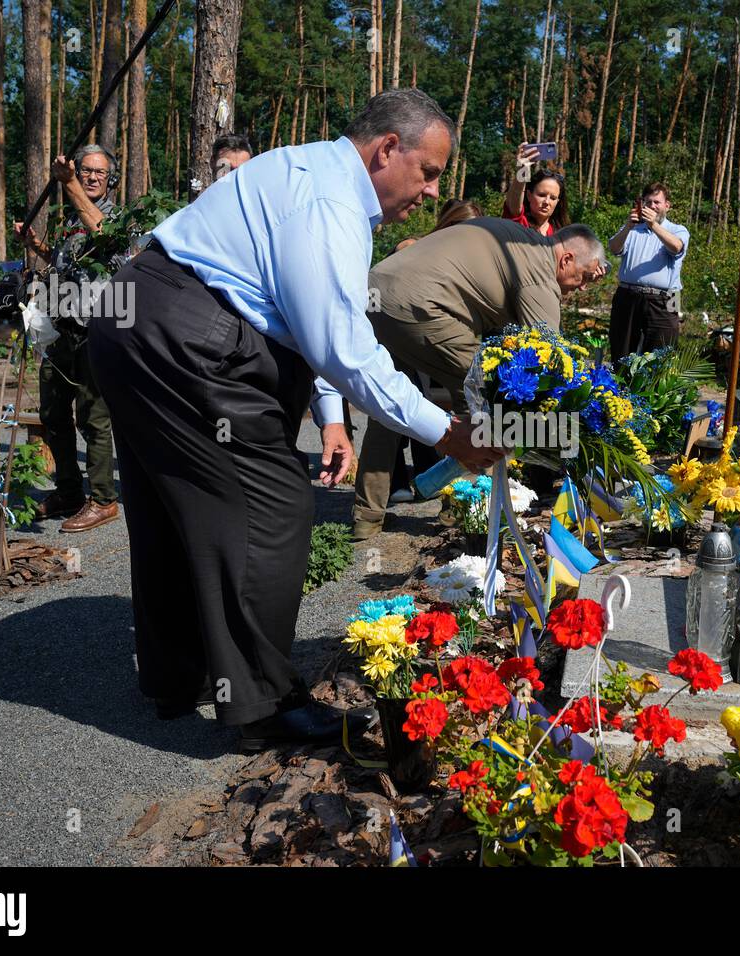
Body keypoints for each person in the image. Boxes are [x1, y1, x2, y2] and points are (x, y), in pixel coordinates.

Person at [86, 89, 502, 751]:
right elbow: (339, 343)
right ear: (387, 149)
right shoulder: (329, 201)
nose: (428, 192)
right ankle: (261, 706)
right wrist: (444, 431)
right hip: (191, 338)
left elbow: (303, 321)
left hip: (139, 319)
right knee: (273, 509)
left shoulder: (309, 172)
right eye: (428, 172)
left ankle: (176, 681)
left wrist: (331, 421)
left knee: (174, 507)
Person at [352, 219, 608, 541]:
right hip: (423, 307)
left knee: (390, 400)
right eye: (583, 278)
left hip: (377, 294)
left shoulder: (519, 243)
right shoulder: (540, 270)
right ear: (567, 259)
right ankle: (468, 514)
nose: (582, 287)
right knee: (485, 394)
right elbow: (550, 358)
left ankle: (367, 517)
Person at [14, 144, 123, 533]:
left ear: (111, 180)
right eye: (85, 171)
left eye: (98, 172)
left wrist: (70, 181)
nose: (91, 177)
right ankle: (69, 490)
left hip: (96, 333)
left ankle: (103, 499)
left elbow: (105, 237)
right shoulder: (69, 223)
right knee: (53, 416)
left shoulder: (117, 219)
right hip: (61, 330)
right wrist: (35, 245)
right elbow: (64, 264)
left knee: (93, 419)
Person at [388, 198, 482, 500]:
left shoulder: (472, 264)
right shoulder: (413, 246)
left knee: (440, 407)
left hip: (442, 344)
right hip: (403, 340)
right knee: (400, 407)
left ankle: (433, 476)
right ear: (446, 226)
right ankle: (395, 479)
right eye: (459, 230)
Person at [606, 181, 690, 363]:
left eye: (657, 202)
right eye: (648, 202)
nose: (652, 206)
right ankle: (620, 390)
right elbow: (613, 247)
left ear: (667, 205)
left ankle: (653, 390)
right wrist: (628, 226)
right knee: (622, 351)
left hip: (667, 299)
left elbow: (676, 247)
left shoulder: (678, 230)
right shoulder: (633, 228)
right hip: (628, 295)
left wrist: (653, 225)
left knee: (661, 351)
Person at [503, 142, 570, 236]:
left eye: (553, 198)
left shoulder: (561, 235)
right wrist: (522, 169)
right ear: (529, 195)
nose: (547, 202)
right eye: (542, 195)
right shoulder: (520, 223)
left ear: (558, 202)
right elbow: (514, 204)